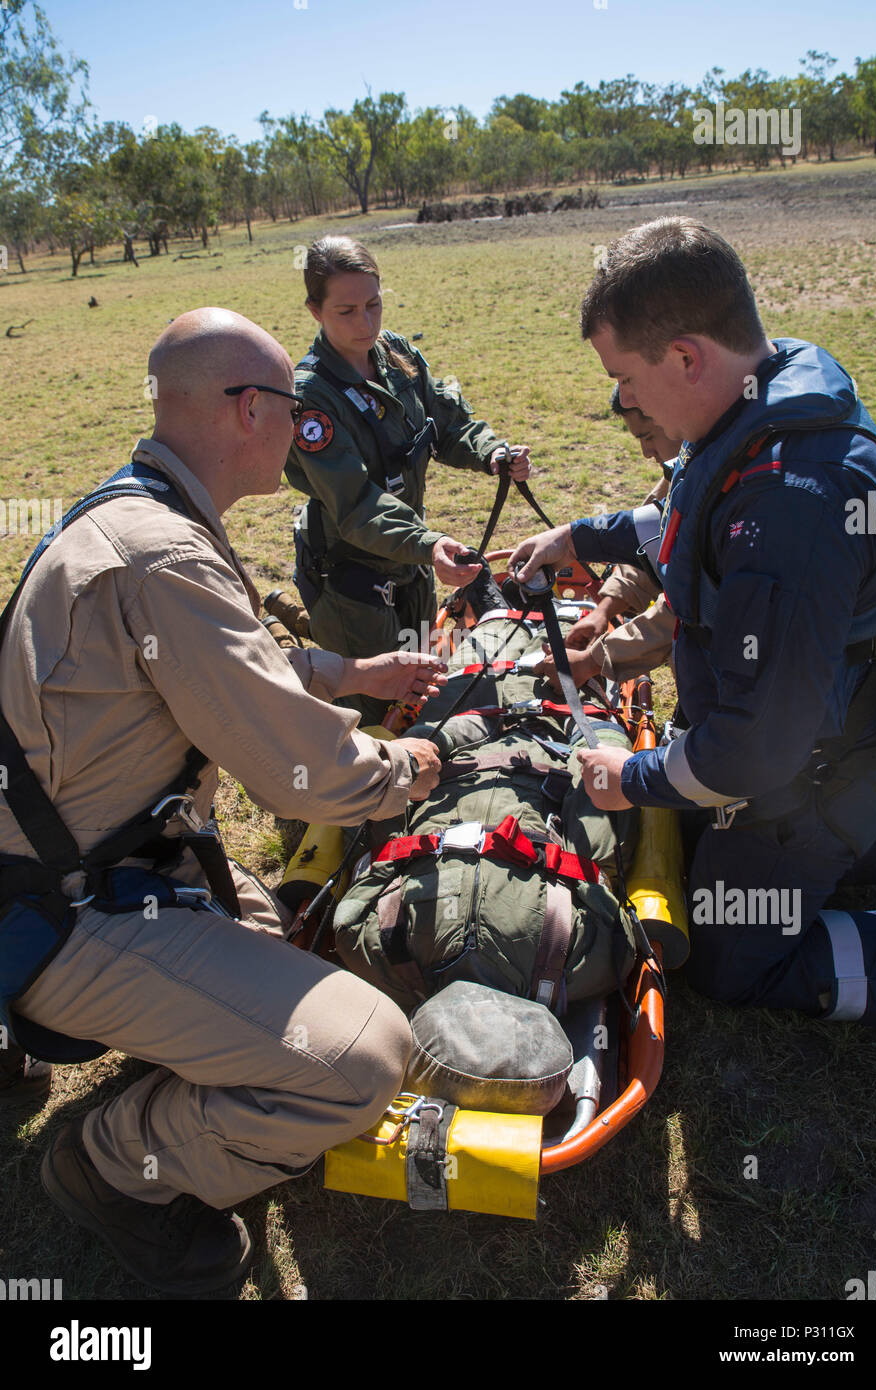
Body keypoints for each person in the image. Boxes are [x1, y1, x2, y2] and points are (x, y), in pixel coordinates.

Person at [0, 307, 449, 1296]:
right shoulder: (164, 553)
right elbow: (303, 776)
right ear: (250, 409)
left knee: (274, 935)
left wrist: (357, 668)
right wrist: (410, 766)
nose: (300, 427)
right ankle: (114, 1165)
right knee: (366, 1060)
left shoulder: (140, 511)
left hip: (88, 865)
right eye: (291, 408)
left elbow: (234, 658)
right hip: (61, 909)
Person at [510, 216, 876, 1028]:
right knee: (693, 852)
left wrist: (634, 779)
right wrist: (581, 537)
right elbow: (694, 522)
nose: (623, 400)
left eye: (626, 376)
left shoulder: (794, 505)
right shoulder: (754, 396)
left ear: (686, 356)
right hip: (795, 727)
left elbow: (761, 746)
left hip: (815, 759)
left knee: (727, 948)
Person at [286, 235, 532, 726]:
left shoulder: (396, 354)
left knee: (420, 688)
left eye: (374, 305)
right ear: (315, 310)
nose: (365, 323)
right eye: (346, 310)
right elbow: (357, 506)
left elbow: (445, 422)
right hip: (352, 587)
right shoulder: (311, 399)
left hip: (409, 566)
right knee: (373, 716)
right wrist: (429, 542)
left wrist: (492, 454)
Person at [539, 386, 680, 688]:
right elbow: (649, 553)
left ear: (677, 414)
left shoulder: (722, 489)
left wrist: (593, 661)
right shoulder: (679, 476)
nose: (646, 453)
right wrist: (603, 610)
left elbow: (683, 612)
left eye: (649, 436)